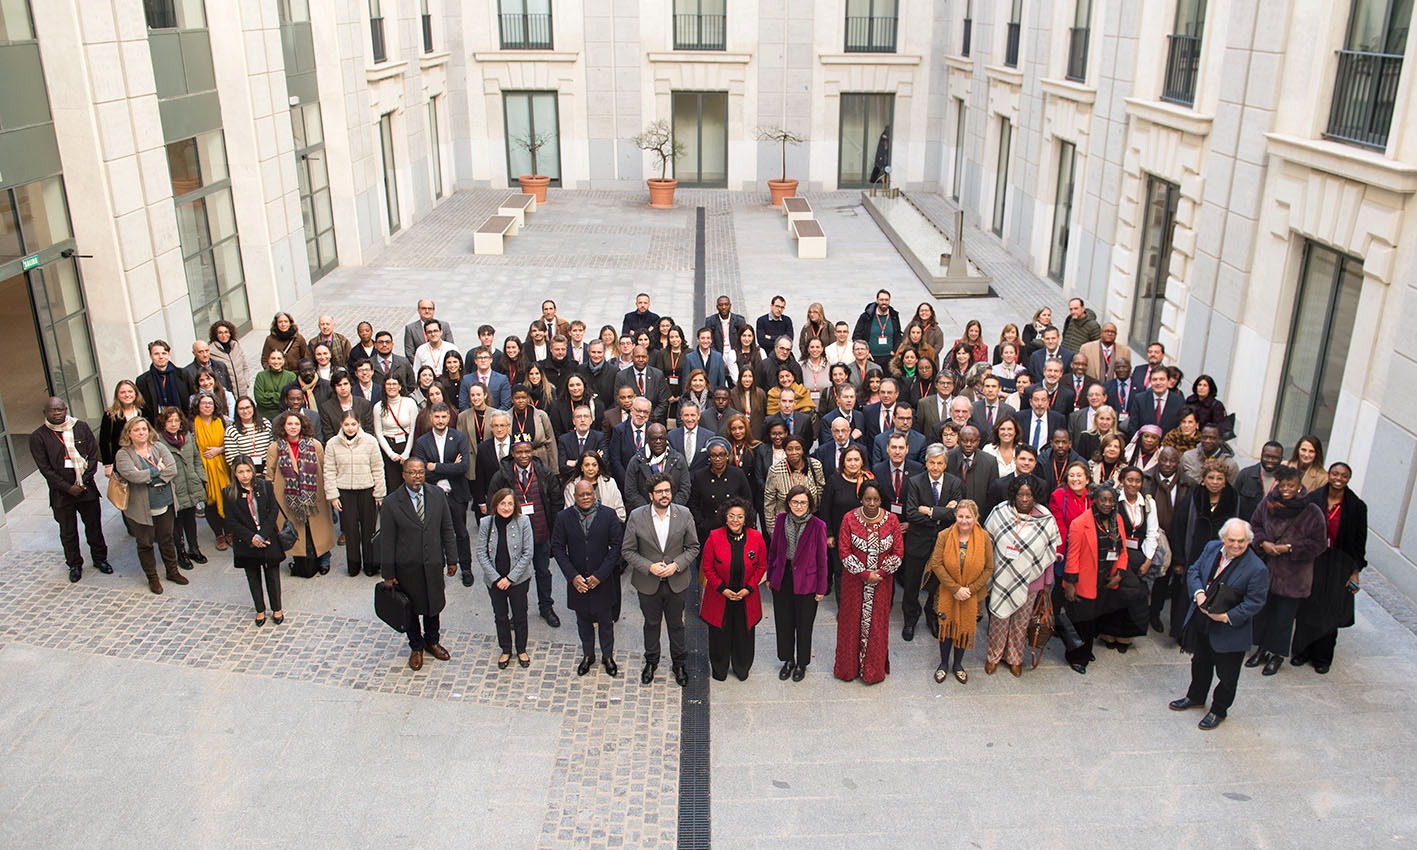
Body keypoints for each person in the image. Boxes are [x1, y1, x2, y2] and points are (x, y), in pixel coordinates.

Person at [1169, 518, 1269, 730]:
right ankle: (1195, 697)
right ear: (1223, 538)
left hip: (1230, 630)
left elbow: (1255, 603)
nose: (1236, 545)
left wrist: (1225, 617)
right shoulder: (1212, 548)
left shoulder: (1257, 568)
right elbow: (1194, 571)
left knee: (1227, 676)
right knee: (1200, 662)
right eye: (1232, 540)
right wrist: (1198, 594)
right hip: (1203, 621)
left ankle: (1218, 710)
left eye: (1242, 541)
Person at [1246, 464, 1329, 676]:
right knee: (1263, 613)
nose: (1286, 489)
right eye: (1283, 485)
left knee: (1283, 618)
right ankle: (1262, 649)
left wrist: (1289, 548)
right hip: (1267, 570)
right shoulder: (1268, 503)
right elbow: (1254, 526)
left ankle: (1277, 655)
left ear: (1299, 486)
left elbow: (1319, 544)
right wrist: (1264, 543)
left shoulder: (1312, 511)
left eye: (1291, 485)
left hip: (1294, 575)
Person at [623, 473, 701, 686]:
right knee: (651, 624)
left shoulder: (683, 514)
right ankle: (651, 661)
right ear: (651, 495)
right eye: (659, 491)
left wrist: (676, 565)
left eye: (667, 490)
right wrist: (649, 566)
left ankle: (679, 663)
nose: (664, 495)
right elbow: (628, 551)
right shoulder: (637, 516)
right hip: (648, 583)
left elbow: (693, 547)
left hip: (677, 581)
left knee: (677, 625)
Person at [379, 458, 458, 670]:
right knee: (411, 609)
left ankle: (432, 641)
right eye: (412, 473)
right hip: (407, 568)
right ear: (404, 474)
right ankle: (416, 646)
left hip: (433, 563)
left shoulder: (437, 495)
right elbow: (387, 541)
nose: (417, 477)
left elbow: (447, 529)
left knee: (433, 606)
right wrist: (388, 573)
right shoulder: (391, 503)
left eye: (421, 472)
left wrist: (452, 559)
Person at [1292, 462, 1367, 674]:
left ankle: (1322, 657)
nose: (1338, 478)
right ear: (1329, 475)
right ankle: (1301, 652)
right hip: (1313, 561)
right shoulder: (1313, 499)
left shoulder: (1357, 507)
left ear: (1348, 479)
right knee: (1308, 606)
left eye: (1343, 475)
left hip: (1339, 564)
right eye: (1335, 473)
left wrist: (1355, 571)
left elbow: (1360, 542)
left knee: (1330, 610)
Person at [984, 476, 1061, 676]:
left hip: (1032, 581)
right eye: (1021, 494)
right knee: (999, 619)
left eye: (1029, 495)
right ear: (1013, 495)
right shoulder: (1000, 512)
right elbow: (986, 543)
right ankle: (993, 656)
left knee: (1021, 622)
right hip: (1002, 577)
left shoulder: (1045, 518)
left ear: (1035, 496)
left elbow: (1050, 553)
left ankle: (1015, 659)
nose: (1025, 499)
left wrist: (1047, 583)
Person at [30, 397, 112, 582]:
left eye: (60, 409)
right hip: (61, 494)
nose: (57, 413)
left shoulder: (81, 427)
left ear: (66, 409)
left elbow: (93, 455)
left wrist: (83, 480)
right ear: (45, 412)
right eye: (52, 410)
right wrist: (68, 487)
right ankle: (74, 564)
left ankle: (100, 559)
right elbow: (45, 469)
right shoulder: (38, 437)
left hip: (86, 488)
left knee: (94, 527)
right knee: (68, 532)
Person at [487, 440, 565, 627]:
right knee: (516, 576)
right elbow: (493, 503)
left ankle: (546, 606)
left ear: (532, 452)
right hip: (513, 536)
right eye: (519, 452)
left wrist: (554, 533)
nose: (523, 456)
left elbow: (556, 503)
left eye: (527, 452)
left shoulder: (545, 473)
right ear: (513, 453)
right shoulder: (501, 476)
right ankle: (518, 611)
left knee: (543, 572)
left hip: (540, 533)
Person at [553, 479, 626, 676]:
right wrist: (572, 576)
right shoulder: (563, 517)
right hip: (578, 582)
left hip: (602, 580)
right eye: (581, 495)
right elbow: (558, 549)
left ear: (594, 495)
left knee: (605, 622)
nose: (585, 498)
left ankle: (607, 656)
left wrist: (600, 575)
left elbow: (616, 547)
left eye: (588, 494)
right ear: (574, 497)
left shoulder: (608, 515)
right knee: (583, 622)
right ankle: (588, 655)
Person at [834, 482, 903, 684]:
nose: (871, 503)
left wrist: (879, 573)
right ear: (860, 499)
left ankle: (872, 671)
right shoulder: (849, 519)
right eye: (867, 499)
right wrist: (865, 574)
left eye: (876, 499)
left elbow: (898, 552)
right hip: (853, 584)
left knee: (877, 625)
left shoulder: (892, 520)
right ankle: (848, 669)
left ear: (881, 500)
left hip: (882, 584)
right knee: (850, 624)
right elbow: (844, 551)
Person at [1168, 459, 1239, 640]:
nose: (1215, 482)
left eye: (1219, 478)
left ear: (1226, 481)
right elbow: (1178, 529)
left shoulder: (1234, 501)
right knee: (1187, 596)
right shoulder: (1192, 500)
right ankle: (1183, 633)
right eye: (1211, 477)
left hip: (1221, 559)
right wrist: (1179, 560)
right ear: (1203, 479)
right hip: (1193, 558)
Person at [1061, 484, 1128, 674]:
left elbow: (1122, 550)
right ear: (1094, 500)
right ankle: (1076, 657)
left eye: (1111, 500)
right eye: (1103, 500)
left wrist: (1119, 574)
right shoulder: (1080, 523)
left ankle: (1086, 649)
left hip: (1106, 580)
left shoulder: (1118, 519)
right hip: (1084, 581)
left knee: (1094, 619)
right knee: (1082, 621)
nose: (1107, 504)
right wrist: (1070, 585)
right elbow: (1072, 556)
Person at [113, 417, 184, 594]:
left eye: (144, 429)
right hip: (140, 508)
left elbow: (172, 469)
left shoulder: (159, 447)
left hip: (165, 502)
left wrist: (147, 476)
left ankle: (172, 571)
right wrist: (157, 470)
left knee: (167, 539)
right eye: (136, 430)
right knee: (145, 543)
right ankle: (152, 577)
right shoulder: (123, 454)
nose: (141, 433)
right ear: (129, 433)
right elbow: (132, 476)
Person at [700, 498, 767, 681]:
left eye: (739, 517)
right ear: (725, 517)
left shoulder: (756, 537)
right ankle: (719, 668)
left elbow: (761, 566)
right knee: (719, 634)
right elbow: (707, 567)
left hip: (746, 596)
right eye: (731, 516)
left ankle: (742, 666)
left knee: (743, 633)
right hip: (720, 595)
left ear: (746, 519)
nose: (735, 520)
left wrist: (748, 588)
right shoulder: (714, 537)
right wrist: (722, 589)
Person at [926, 499, 993, 684]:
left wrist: (969, 590)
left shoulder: (984, 537)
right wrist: (955, 589)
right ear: (955, 516)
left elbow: (989, 568)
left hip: (970, 595)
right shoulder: (944, 535)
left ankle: (958, 665)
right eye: (961, 516)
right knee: (946, 627)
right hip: (948, 592)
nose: (964, 521)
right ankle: (943, 664)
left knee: (963, 628)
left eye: (968, 517)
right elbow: (936, 563)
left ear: (976, 517)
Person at [902, 444, 963, 641]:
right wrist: (943, 513)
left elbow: (956, 515)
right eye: (931, 462)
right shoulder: (915, 482)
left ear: (945, 465)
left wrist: (929, 511)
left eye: (939, 463)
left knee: (937, 583)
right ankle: (910, 619)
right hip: (917, 542)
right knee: (911, 584)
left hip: (944, 543)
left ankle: (931, 615)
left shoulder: (955, 483)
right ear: (926, 463)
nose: (935, 467)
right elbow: (911, 514)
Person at [767, 486, 828, 682]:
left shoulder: (818, 525)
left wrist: (821, 588)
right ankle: (788, 660)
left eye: (803, 502)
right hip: (783, 577)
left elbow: (822, 559)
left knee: (804, 625)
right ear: (788, 503)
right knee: (784, 623)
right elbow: (774, 550)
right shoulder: (780, 520)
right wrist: (770, 576)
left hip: (807, 582)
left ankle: (802, 663)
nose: (799, 506)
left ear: (810, 504)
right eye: (795, 502)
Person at [266, 411, 336, 577]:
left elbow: (325, 468)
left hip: (314, 495)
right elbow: (270, 472)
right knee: (297, 529)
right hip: (288, 497)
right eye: (289, 424)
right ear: (283, 426)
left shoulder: (315, 444)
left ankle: (324, 558)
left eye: (296, 424)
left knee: (319, 528)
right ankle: (301, 560)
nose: (293, 427)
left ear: (302, 425)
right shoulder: (275, 447)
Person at [413, 402, 473, 585]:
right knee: (435, 534)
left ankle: (466, 568)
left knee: (461, 532)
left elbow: (463, 467)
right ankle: (438, 570)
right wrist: (450, 466)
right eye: (436, 417)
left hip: (456, 494)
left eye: (443, 417)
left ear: (449, 418)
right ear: (431, 418)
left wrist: (436, 466)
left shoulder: (460, 438)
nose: (440, 420)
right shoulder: (422, 442)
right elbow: (422, 472)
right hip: (432, 494)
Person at [223, 455, 285, 626]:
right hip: (246, 541)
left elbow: (273, 511)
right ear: (234, 473)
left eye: (248, 471)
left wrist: (262, 535)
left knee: (272, 575)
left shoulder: (265, 486)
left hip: (267, 538)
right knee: (253, 576)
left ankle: (277, 608)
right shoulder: (229, 492)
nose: (245, 475)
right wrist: (251, 538)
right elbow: (230, 520)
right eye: (241, 472)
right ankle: (260, 609)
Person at [476, 488, 535, 669]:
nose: (506, 507)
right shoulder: (486, 523)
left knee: (520, 615)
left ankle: (521, 649)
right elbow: (481, 552)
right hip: (494, 581)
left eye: (510, 503)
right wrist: (496, 578)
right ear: (496, 504)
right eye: (503, 503)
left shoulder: (523, 521)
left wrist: (510, 579)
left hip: (518, 579)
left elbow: (528, 553)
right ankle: (506, 649)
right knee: (500, 616)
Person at [324, 411, 386, 577]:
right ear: (341, 425)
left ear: (359, 424)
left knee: (368, 529)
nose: (350, 428)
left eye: (353, 424)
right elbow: (329, 470)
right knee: (351, 531)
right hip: (344, 491)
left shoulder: (370, 442)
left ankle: (371, 564)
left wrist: (379, 493)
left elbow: (378, 468)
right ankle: (353, 564)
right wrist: (332, 495)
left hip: (367, 490)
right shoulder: (332, 444)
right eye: (346, 425)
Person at [156, 407, 208, 571]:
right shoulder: (158, 442)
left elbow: (196, 458)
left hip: (190, 484)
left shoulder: (186, 436)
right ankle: (181, 553)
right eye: (169, 421)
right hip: (174, 487)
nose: (173, 424)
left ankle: (194, 548)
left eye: (176, 420)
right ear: (163, 423)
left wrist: (201, 478)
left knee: (190, 520)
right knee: (176, 524)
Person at [762, 434, 825, 538]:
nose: (794, 453)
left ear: (803, 450)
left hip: (810, 523)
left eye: (797, 449)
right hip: (784, 526)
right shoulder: (775, 471)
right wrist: (772, 530)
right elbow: (769, 503)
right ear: (784, 451)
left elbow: (821, 492)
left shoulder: (815, 466)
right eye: (790, 449)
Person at [374, 375, 418, 493]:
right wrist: (391, 454)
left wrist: (406, 452)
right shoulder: (378, 407)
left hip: (407, 444)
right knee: (392, 485)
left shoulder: (410, 403)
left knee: (411, 482)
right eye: (388, 384)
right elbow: (378, 433)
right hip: (388, 447)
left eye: (394, 384)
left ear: (400, 386)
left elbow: (414, 429)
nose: (391, 387)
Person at [851, 289, 903, 370]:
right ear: (877, 300)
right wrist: (865, 352)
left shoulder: (894, 316)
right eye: (881, 300)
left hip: (889, 358)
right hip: (871, 358)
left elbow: (899, 335)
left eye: (886, 300)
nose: (884, 302)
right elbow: (856, 335)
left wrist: (895, 350)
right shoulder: (867, 316)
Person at [225, 397, 272, 480]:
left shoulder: (266, 424)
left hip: (267, 472)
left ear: (253, 407)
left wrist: (265, 472)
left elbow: (272, 451)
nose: (245, 411)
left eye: (248, 407)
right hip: (245, 476)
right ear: (237, 411)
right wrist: (248, 473)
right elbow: (232, 458)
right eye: (241, 409)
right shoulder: (231, 431)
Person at [1236, 440, 1284, 520]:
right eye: (1267, 456)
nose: (1270, 460)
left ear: (1281, 459)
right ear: (1261, 455)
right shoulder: (1245, 475)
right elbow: (1232, 502)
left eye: (1275, 458)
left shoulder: (1286, 479)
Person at [209, 320, 253, 399]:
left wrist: (246, 382)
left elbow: (245, 367)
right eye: (220, 333)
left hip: (242, 391)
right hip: (225, 395)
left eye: (226, 332)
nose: (224, 335)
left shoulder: (236, 346)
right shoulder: (211, 351)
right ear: (215, 335)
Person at [253, 349, 296, 422]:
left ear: (283, 360)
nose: (276, 362)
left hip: (284, 417)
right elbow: (259, 399)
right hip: (264, 417)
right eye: (273, 358)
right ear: (268, 360)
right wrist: (280, 397)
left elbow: (290, 400)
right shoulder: (261, 376)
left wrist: (269, 395)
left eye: (279, 358)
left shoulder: (291, 376)